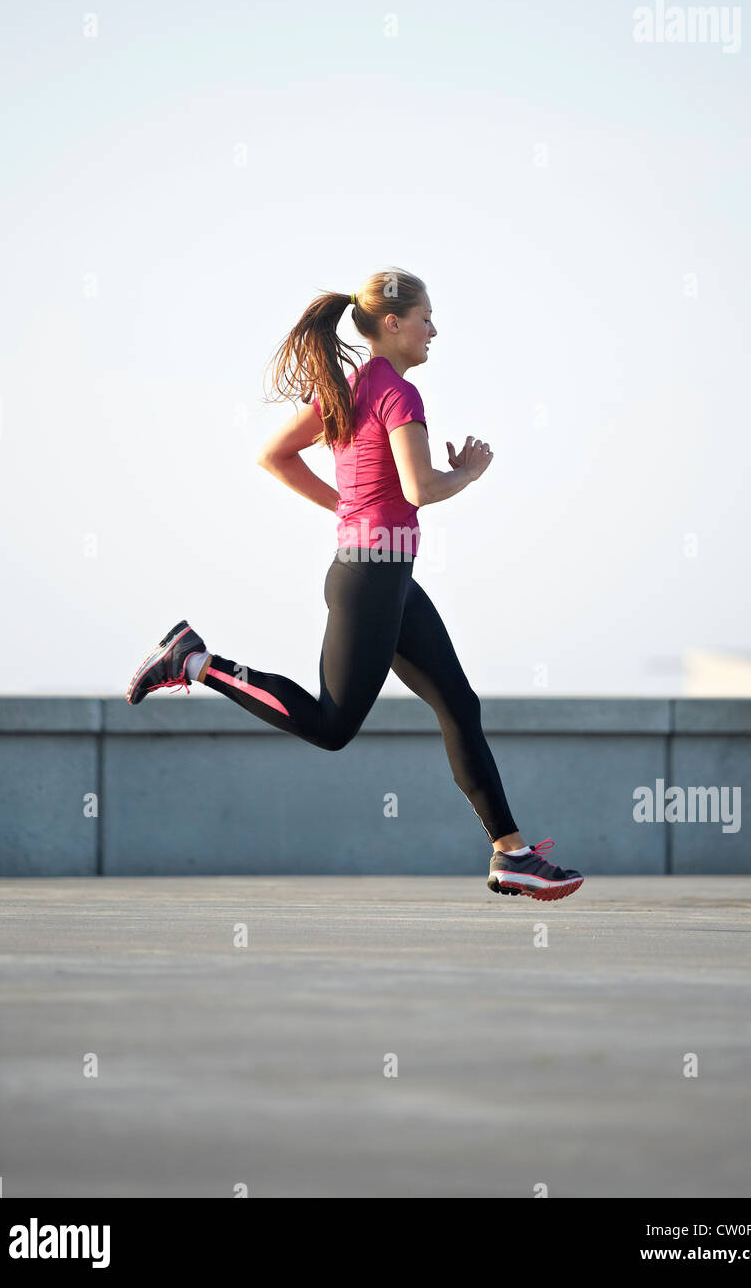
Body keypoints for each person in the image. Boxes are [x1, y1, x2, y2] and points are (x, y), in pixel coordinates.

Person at [126, 268, 583, 900]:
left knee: (458, 704)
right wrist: (470, 473)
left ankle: (512, 855)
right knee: (331, 725)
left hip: (383, 576)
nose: (434, 331)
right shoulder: (397, 393)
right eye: (426, 319)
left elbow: (274, 455)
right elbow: (421, 489)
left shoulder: (348, 390)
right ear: (392, 325)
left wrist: (347, 505)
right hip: (371, 578)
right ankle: (196, 661)